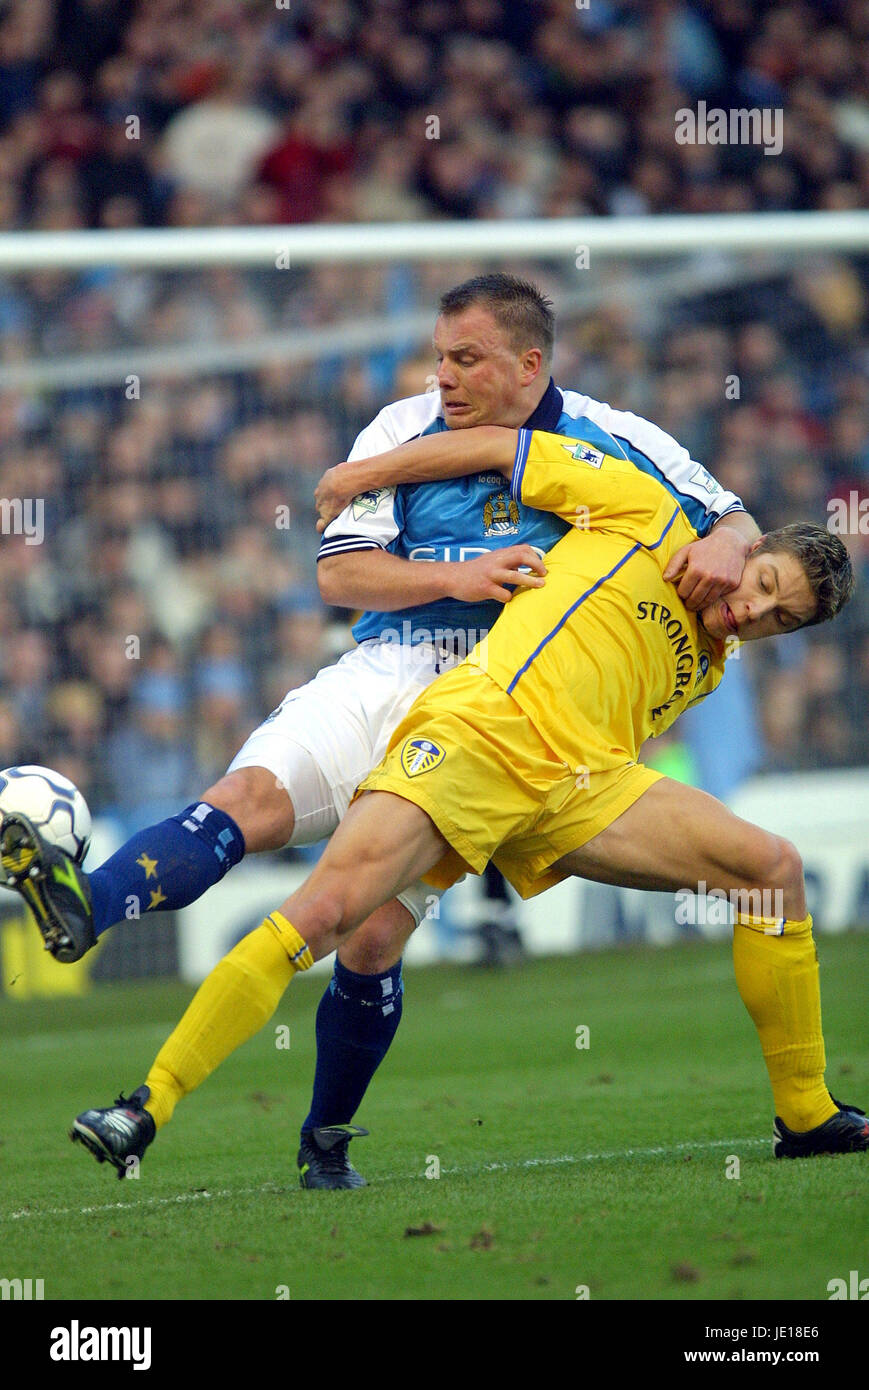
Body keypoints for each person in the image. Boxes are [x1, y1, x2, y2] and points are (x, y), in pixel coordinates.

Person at [1, 276, 758, 1188]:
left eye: (466, 358)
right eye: (438, 355)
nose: (443, 375)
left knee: (367, 939)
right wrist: (459, 577)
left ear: (530, 363)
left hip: (500, 716)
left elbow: (732, 520)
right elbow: (342, 577)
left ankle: (324, 1141)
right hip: (389, 667)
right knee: (241, 803)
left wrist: (733, 540)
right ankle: (88, 908)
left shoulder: (618, 438)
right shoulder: (397, 432)